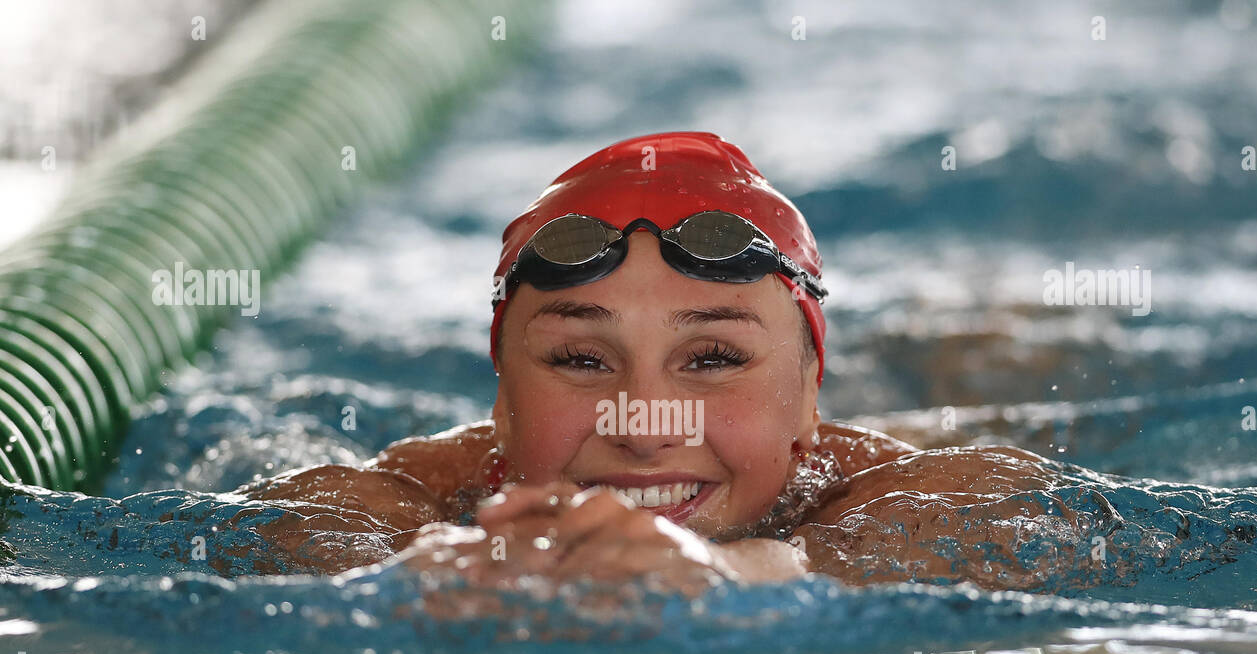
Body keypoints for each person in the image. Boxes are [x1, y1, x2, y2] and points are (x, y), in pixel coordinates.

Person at [232, 132, 1096, 592]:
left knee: (970, 372)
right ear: (502, 403)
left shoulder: (888, 495)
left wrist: (737, 571)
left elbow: (1017, 514)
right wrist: (410, 579)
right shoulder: (418, 496)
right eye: (580, 358)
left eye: (713, 357)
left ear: (805, 402)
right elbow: (300, 527)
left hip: (896, 422)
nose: (644, 426)